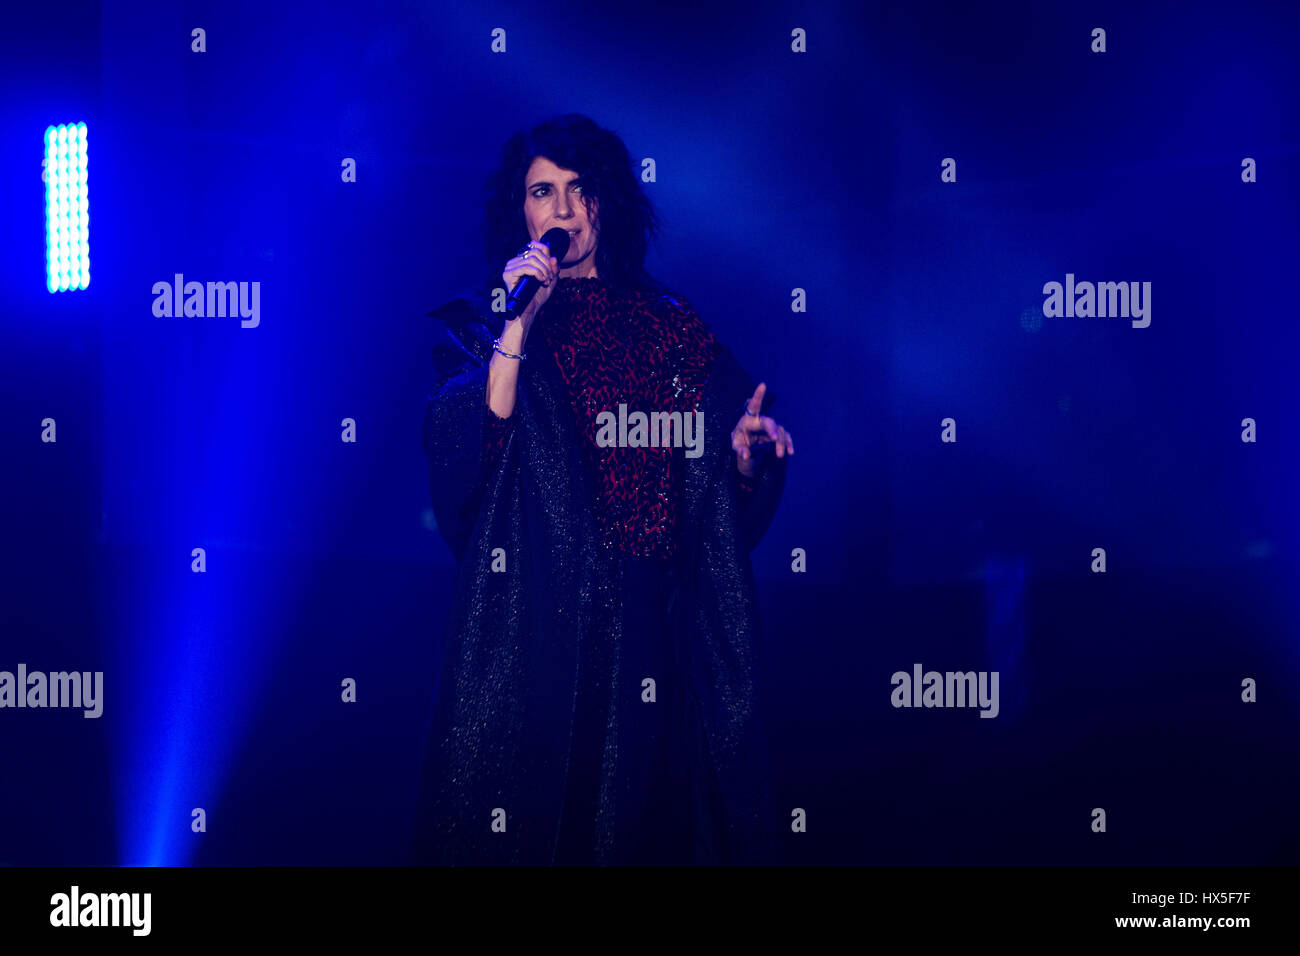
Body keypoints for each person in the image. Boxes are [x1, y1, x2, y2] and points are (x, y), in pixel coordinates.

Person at [412, 114, 794, 866]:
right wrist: (518, 319)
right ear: (519, 212)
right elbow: (476, 452)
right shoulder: (494, 326)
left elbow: (715, 479)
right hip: (537, 626)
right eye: (541, 192)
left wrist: (745, 458)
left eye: (578, 191)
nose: (559, 209)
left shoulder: (668, 328)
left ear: (606, 203)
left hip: (650, 633)